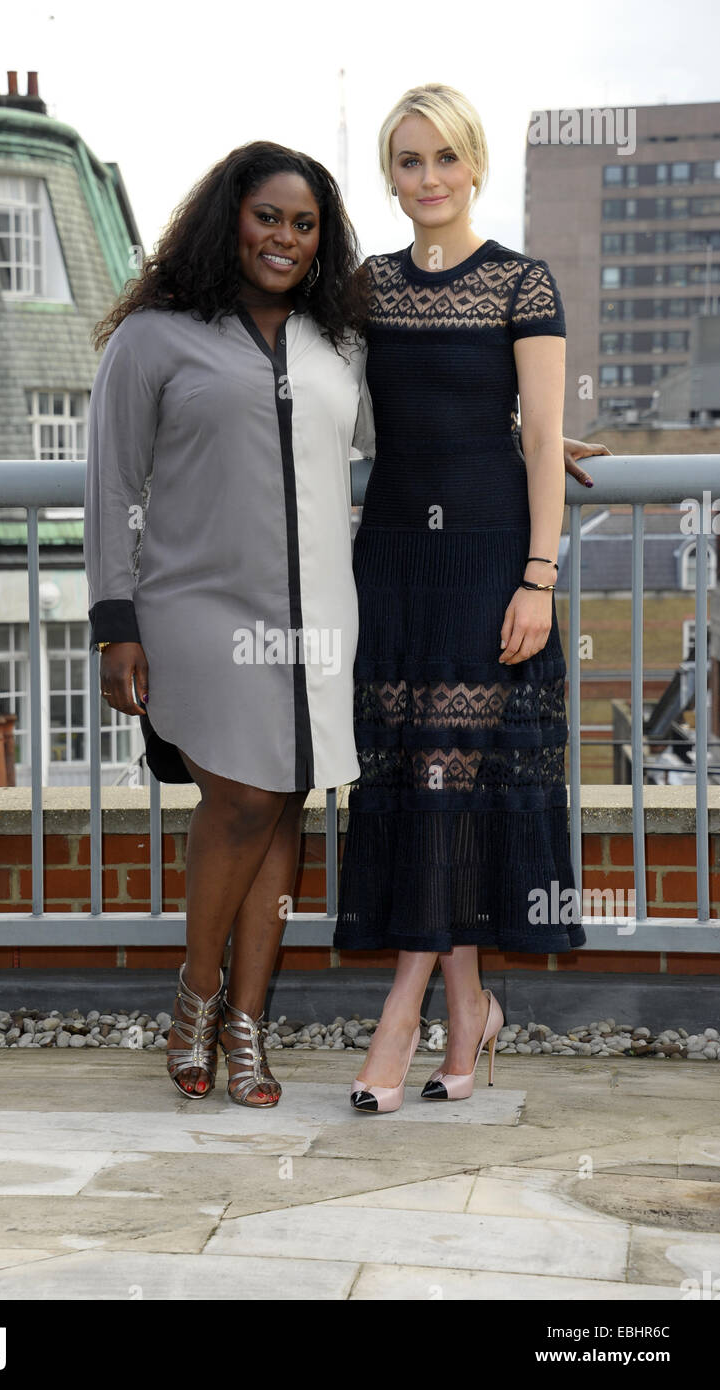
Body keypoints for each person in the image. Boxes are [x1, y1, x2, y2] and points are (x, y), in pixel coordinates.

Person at [84, 142, 370, 1107]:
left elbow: (409, 435)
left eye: (304, 224)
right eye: (266, 217)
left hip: (314, 616)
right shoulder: (155, 337)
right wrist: (113, 619)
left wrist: (532, 437)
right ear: (227, 219)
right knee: (244, 798)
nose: (284, 239)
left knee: (281, 800)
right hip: (195, 607)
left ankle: (244, 1031)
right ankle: (196, 1001)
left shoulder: (338, 343)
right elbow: (113, 483)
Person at [335, 84, 599, 1113]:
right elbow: (322, 406)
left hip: (492, 563)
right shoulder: (366, 287)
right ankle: (470, 1005)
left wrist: (539, 574)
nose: (428, 178)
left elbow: (538, 435)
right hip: (394, 561)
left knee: (456, 780)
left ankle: (402, 1010)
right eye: (408, 160)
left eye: (444, 157)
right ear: (390, 174)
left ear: (474, 163)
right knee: (415, 780)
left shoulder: (520, 283)